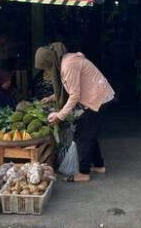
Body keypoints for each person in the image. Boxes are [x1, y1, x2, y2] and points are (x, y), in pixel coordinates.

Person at [35, 42, 115, 183]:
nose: (46, 72)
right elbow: (71, 87)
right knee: (89, 133)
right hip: (96, 98)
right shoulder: (65, 62)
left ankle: (84, 173)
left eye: (46, 68)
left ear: (50, 62)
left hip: (98, 99)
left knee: (82, 136)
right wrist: (52, 97)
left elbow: (74, 95)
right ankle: (99, 165)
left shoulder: (68, 65)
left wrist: (60, 115)